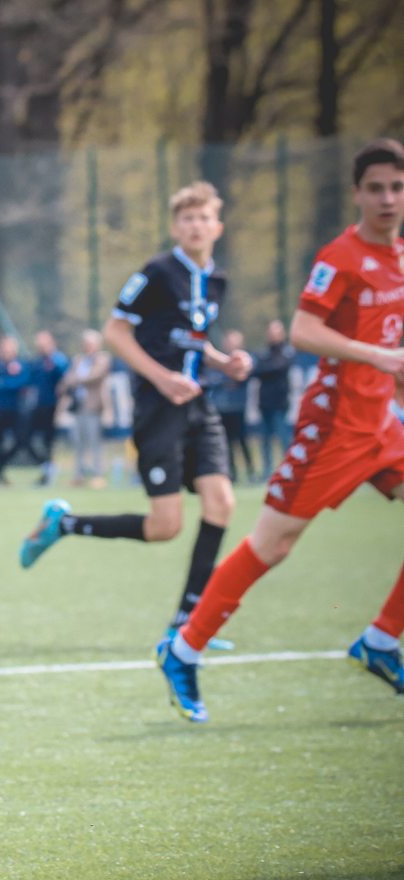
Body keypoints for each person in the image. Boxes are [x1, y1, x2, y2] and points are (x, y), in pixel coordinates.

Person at [157, 139, 404, 721]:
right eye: (375, 188)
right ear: (356, 194)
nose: (388, 199)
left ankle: (382, 641)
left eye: (396, 186)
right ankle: (184, 649)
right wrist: (375, 357)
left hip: (381, 425)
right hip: (333, 429)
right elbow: (302, 331)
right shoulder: (340, 257)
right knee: (274, 543)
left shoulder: (400, 258)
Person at [19, 181, 253, 650]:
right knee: (165, 526)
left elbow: (189, 337)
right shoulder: (157, 272)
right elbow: (115, 332)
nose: (195, 226)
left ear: (217, 227)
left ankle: (188, 625)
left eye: (203, 218)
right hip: (158, 408)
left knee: (222, 503)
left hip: (197, 404)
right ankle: (63, 524)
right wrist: (163, 377)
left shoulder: (217, 280)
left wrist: (222, 362)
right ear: (175, 226)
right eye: (186, 218)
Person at [60, 329, 112, 488]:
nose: (87, 346)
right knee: (78, 442)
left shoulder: (103, 358)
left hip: (93, 406)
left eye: (90, 343)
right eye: (85, 343)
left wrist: (76, 379)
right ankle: (79, 474)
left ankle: (98, 474)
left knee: (94, 441)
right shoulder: (78, 360)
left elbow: (94, 376)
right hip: (78, 406)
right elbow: (67, 378)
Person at [208, 329, 256, 482]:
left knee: (242, 441)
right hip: (222, 408)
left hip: (238, 408)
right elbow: (214, 380)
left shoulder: (244, 360)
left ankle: (251, 471)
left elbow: (244, 378)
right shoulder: (218, 360)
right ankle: (231, 473)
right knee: (226, 443)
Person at [253, 319, 296, 479]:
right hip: (264, 403)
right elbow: (256, 371)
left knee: (283, 437)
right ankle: (267, 472)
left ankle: (289, 470)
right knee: (265, 440)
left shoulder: (287, 352)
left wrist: (264, 369)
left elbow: (277, 366)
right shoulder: (263, 353)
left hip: (280, 403)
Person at [0, 336, 29, 486]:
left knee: (20, 441)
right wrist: (9, 384)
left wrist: (5, 383)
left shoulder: (20, 366)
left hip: (16, 410)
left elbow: (21, 383)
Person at [24, 330, 69, 484]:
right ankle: (46, 466)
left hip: (52, 407)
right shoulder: (37, 362)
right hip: (38, 407)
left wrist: (61, 409)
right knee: (26, 438)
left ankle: (47, 474)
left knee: (48, 441)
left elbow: (65, 383)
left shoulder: (58, 360)